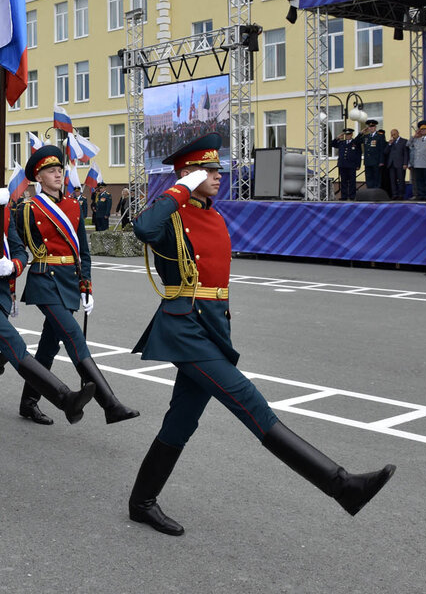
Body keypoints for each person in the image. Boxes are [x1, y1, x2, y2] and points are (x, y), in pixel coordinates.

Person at [127, 133, 395, 536]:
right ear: (186, 175)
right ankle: (342, 485)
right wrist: (178, 189)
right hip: (185, 327)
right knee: (249, 401)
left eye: (219, 169)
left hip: (213, 325)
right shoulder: (172, 215)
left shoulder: (212, 214)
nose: (219, 176)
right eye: (209, 170)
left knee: (181, 422)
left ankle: (140, 502)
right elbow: (143, 228)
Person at [0, 141, 94, 438]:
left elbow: (21, 249)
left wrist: (14, 265)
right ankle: (64, 398)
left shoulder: (2, 207)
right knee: (14, 344)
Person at [13, 145, 138, 426]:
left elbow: (83, 250)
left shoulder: (73, 204)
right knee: (73, 336)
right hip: (44, 280)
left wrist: (86, 285)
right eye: (50, 171)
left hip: (69, 281)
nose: (57, 174)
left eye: (59, 169)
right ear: (39, 178)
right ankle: (110, 404)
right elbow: (13, 244)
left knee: (48, 346)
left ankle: (28, 402)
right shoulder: (28, 208)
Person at [408, 120, 426, 201]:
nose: (422, 131)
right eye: (421, 129)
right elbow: (408, 144)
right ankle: (420, 195)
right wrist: (414, 136)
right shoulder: (417, 139)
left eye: (424, 129)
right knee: (418, 180)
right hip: (417, 163)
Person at [332, 128, 361, 200]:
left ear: (351, 134)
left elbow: (358, 154)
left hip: (352, 165)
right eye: (346, 135)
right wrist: (337, 138)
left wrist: (358, 165)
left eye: (349, 134)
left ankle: (352, 196)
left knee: (352, 181)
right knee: (343, 181)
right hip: (342, 165)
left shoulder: (355, 142)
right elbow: (332, 144)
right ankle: (344, 196)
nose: (347, 136)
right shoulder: (341, 142)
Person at [360, 119, 385, 193]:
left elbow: (381, 150)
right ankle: (370, 192)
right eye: (369, 127)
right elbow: (356, 141)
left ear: (375, 127)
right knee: (369, 178)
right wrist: (361, 133)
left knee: (376, 178)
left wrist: (381, 161)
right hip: (368, 161)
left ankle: (376, 193)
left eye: (372, 127)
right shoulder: (366, 137)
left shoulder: (380, 136)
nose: (371, 128)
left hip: (376, 161)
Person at [384, 128, 408, 200]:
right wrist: (389, 144)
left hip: (400, 164)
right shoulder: (391, 142)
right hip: (391, 164)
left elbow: (406, 153)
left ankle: (401, 194)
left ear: (398, 133)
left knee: (401, 180)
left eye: (394, 134)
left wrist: (405, 163)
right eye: (392, 134)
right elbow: (385, 152)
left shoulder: (404, 141)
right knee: (392, 180)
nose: (393, 136)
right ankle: (394, 194)